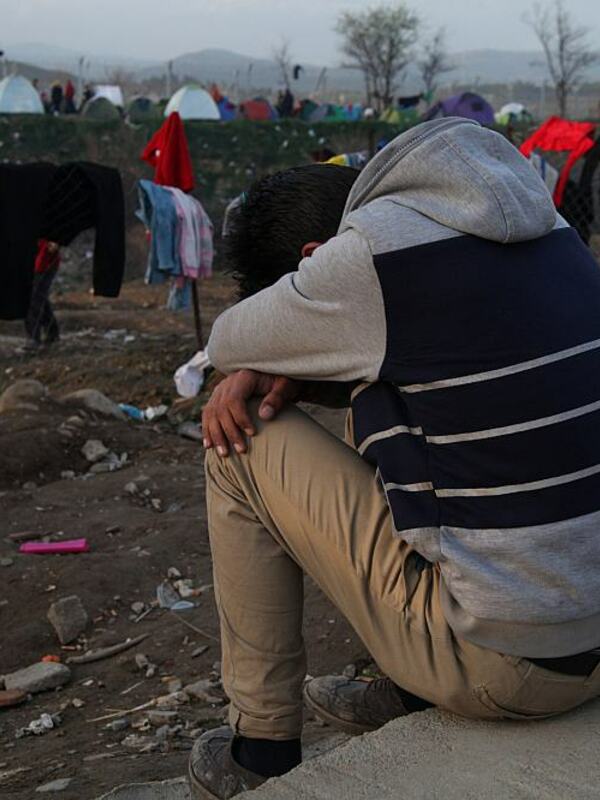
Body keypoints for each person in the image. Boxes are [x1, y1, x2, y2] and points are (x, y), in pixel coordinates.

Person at [188, 119, 600, 799]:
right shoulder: (548, 226)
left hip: (517, 667)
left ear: (316, 256)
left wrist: (263, 365)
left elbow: (229, 340)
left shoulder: (370, 261)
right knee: (390, 382)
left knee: (239, 442)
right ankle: (411, 688)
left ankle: (258, 750)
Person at [25, 240, 61, 347]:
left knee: (31, 299)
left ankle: (33, 338)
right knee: (39, 297)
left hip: (44, 262)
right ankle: (52, 332)